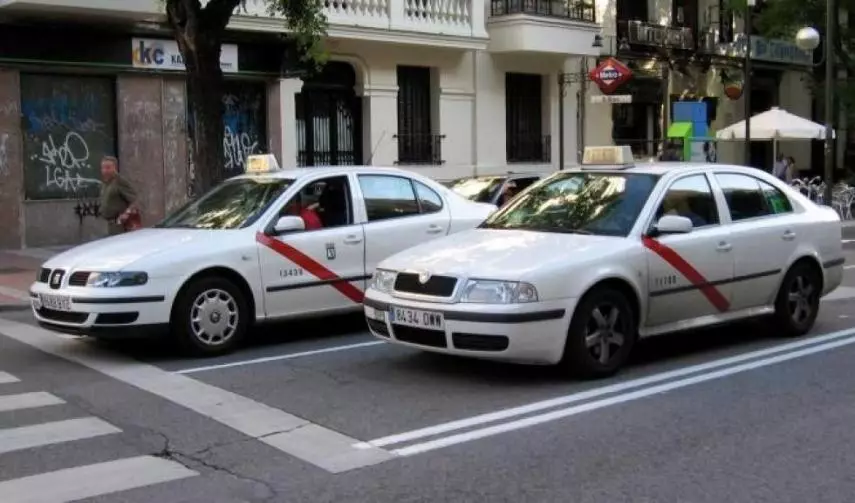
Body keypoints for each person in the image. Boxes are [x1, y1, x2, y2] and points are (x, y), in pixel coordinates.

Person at [99, 156, 140, 235]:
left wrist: (126, 214)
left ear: (115, 168)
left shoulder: (120, 181)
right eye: (103, 168)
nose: (104, 171)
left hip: (120, 225)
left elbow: (135, 200)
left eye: (108, 168)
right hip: (108, 224)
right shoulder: (105, 184)